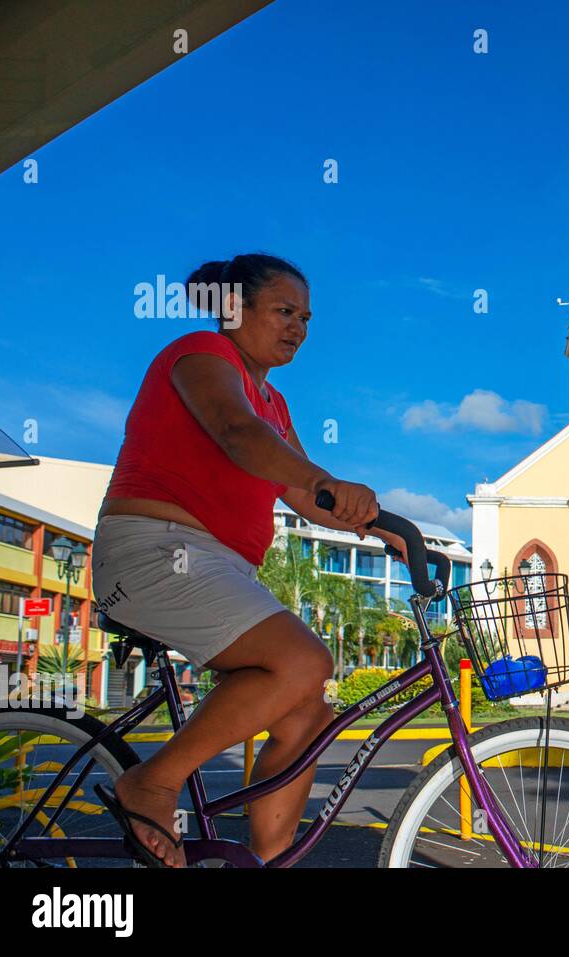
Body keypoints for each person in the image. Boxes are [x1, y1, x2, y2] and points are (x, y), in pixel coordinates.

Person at [92, 253, 408, 867]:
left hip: (216, 566)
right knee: (303, 661)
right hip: (156, 550)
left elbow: (305, 496)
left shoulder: (275, 404)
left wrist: (381, 526)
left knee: (308, 712)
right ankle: (153, 783)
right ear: (235, 307)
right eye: (285, 311)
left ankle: (268, 863)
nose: (298, 328)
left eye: (306, 319)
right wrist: (327, 481)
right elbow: (238, 434)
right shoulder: (202, 354)